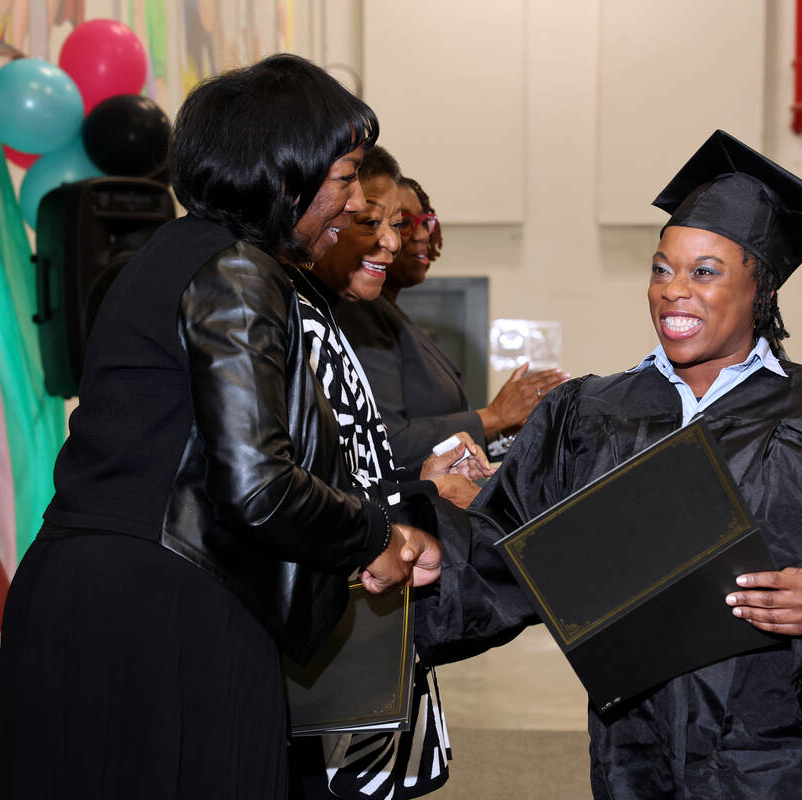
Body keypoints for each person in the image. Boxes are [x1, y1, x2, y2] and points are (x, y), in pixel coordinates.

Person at [414, 130, 802, 798]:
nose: (674, 290)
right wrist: (425, 539)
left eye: (705, 271)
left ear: (760, 285)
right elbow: (508, 548)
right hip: (639, 751)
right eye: (661, 268)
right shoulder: (588, 414)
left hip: (785, 756)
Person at [0, 55, 441, 800]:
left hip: (84, 590)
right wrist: (373, 534)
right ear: (283, 174)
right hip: (166, 606)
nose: (356, 202)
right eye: (346, 176)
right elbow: (256, 484)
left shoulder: (164, 255)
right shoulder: (236, 269)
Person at [287, 145, 491, 799]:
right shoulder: (296, 324)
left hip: (374, 602)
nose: (387, 240)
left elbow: (357, 465)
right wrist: (424, 490)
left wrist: (424, 476)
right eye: (365, 215)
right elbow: (303, 497)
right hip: (335, 615)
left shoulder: (334, 319)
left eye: (397, 224)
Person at [335, 173, 568, 471]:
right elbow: (386, 441)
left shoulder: (392, 316)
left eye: (425, 222)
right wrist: (493, 415)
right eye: (404, 223)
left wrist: (505, 434)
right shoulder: (358, 311)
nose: (421, 235)